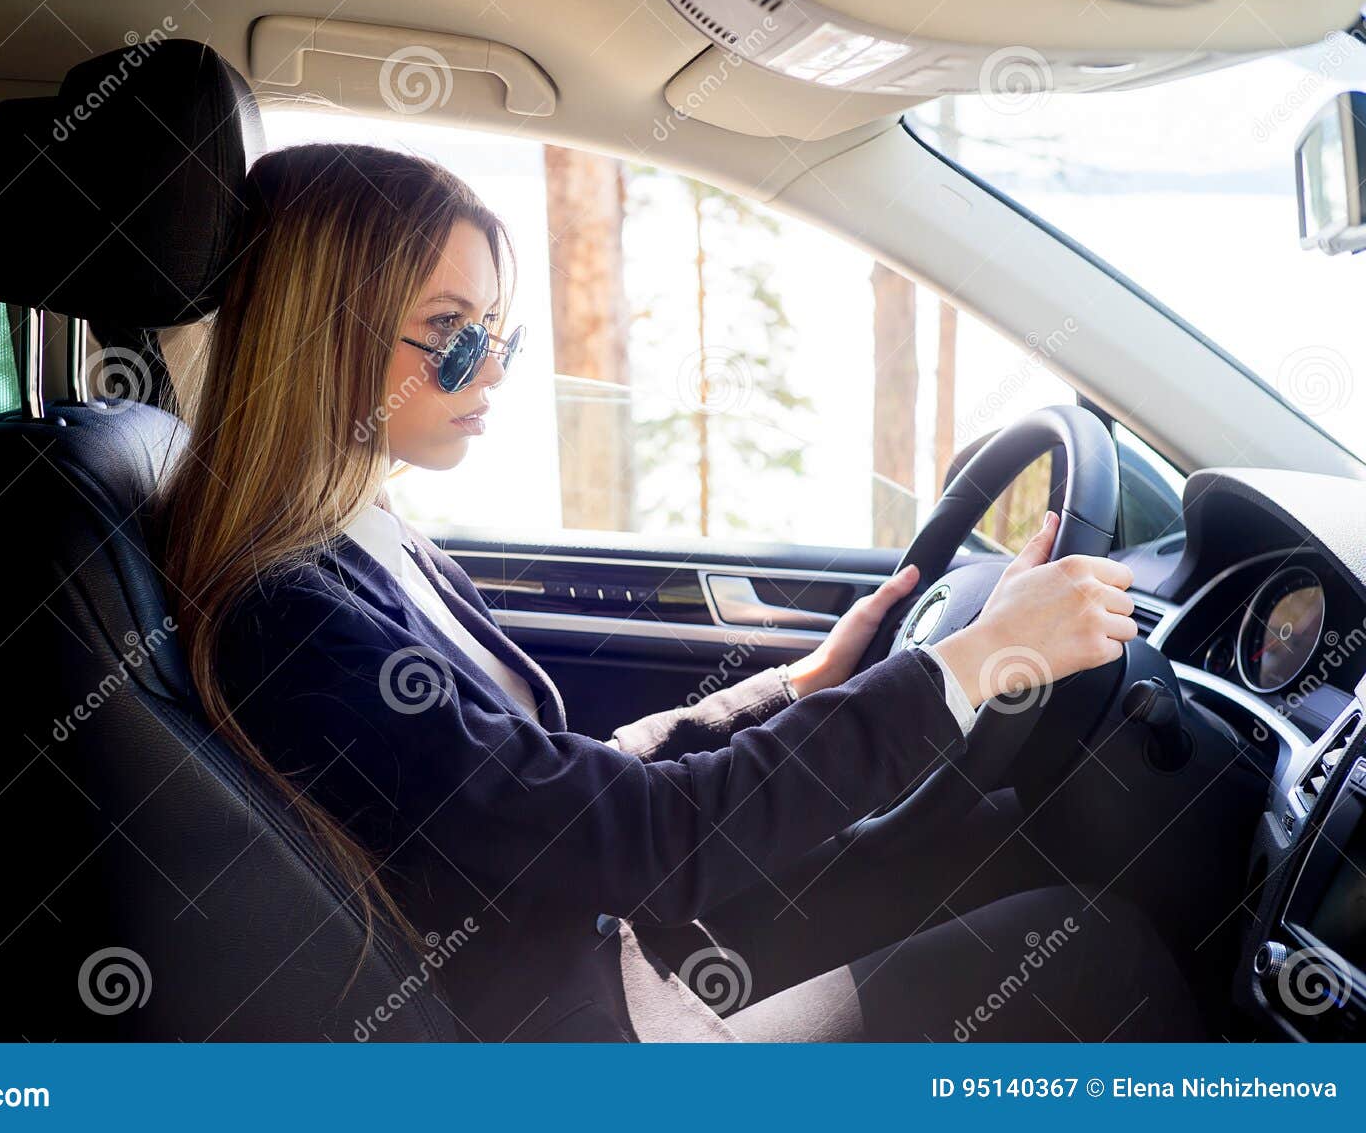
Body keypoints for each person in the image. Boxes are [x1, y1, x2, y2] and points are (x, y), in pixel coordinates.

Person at [152, 143, 1199, 1042]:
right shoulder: (297, 623)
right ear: (322, 333)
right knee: (1095, 953)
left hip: (607, 958)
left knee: (994, 854)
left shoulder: (364, 542)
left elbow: (562, 791)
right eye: (454, 333)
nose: (493, 371)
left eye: (500, 335)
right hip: (595, 1033)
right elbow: (643, 840)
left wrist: (797, 686)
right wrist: (969, 662)